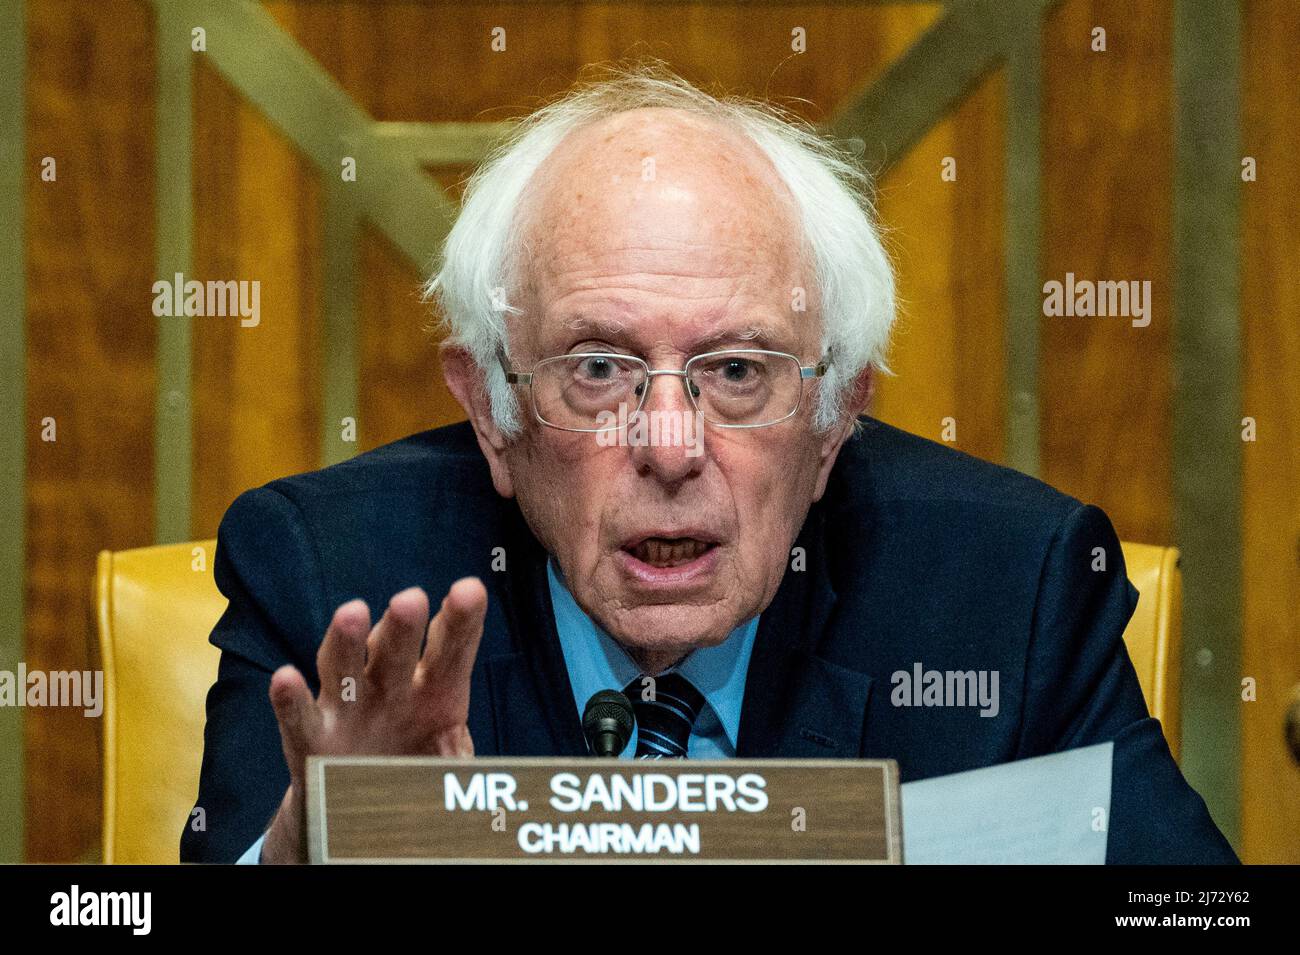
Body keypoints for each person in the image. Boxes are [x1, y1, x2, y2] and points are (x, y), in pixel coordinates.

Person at [181, 65, 1236, 864]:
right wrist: (306, 856)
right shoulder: (332, 584)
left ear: (833, 418)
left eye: (737, 370)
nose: (672, 448)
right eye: (598, 368)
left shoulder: (1011, 590)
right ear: (492, 411)